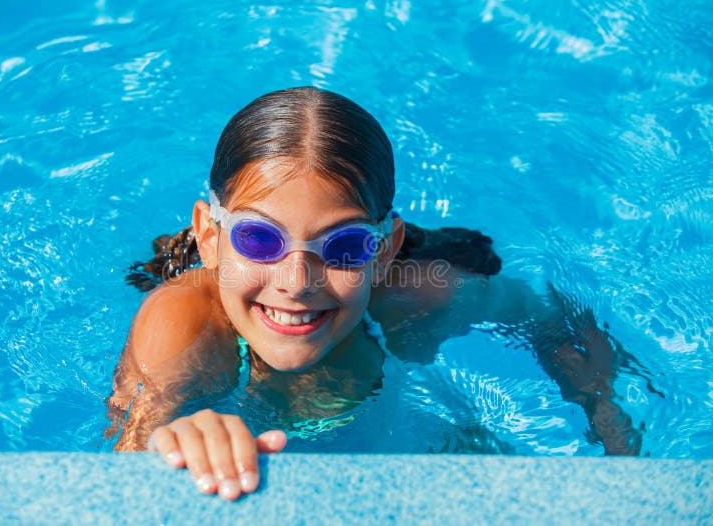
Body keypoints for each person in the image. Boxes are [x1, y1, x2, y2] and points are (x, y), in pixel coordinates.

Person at [106, 87, 644, 501]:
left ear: (386, 250)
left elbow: (549, 318)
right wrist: (177, 441)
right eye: (259, 237)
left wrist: (608, 420)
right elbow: (121, 476)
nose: (296, 281)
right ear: (210, 237)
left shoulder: (413, 298)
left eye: (343, 245)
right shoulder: (180, 323)